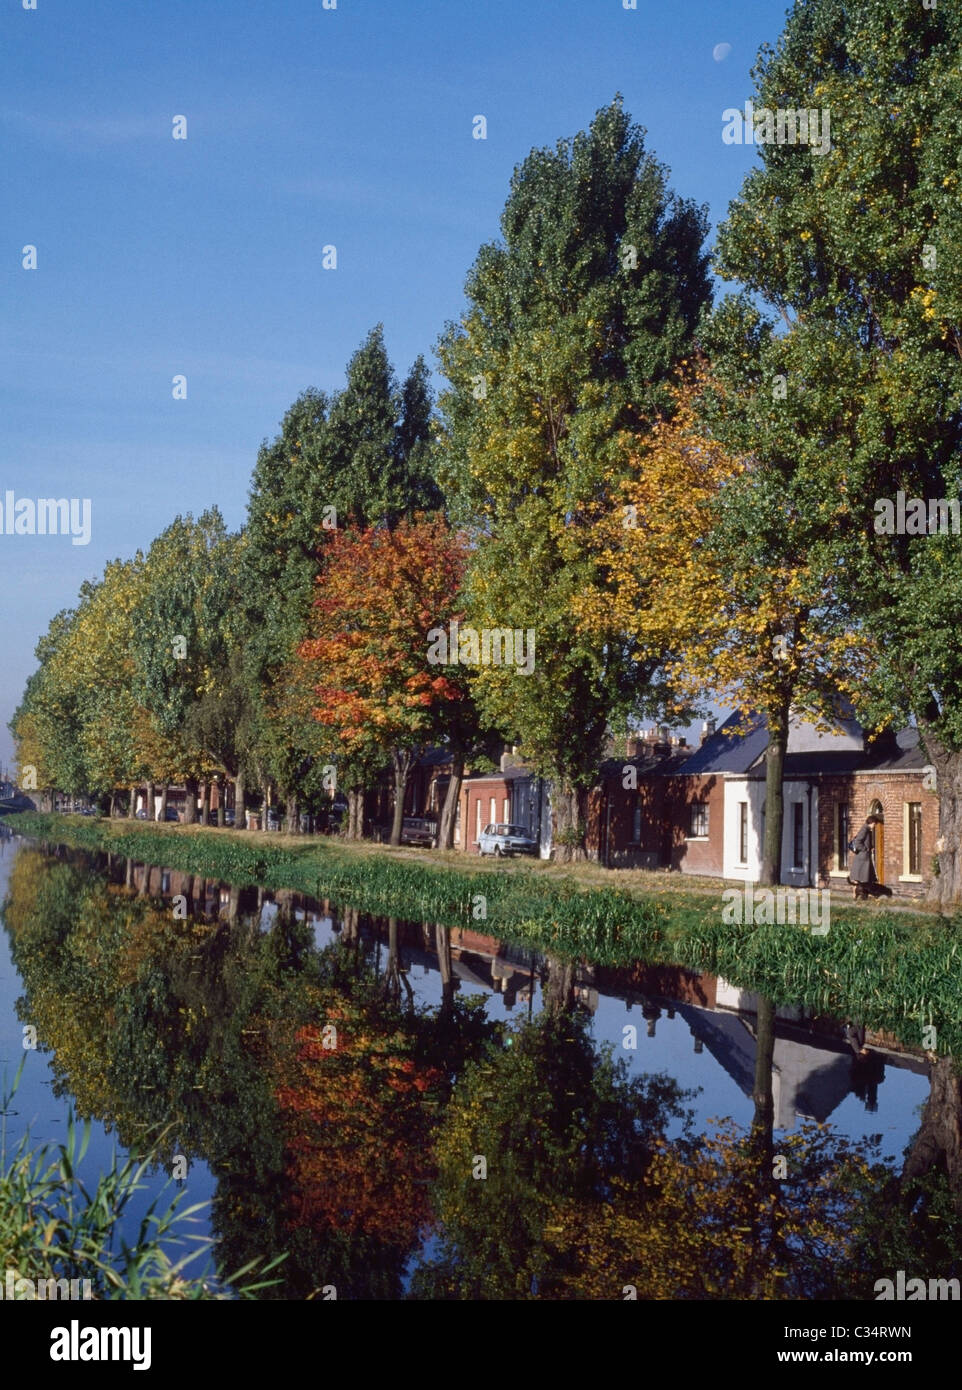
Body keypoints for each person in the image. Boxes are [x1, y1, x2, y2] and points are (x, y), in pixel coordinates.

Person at [848, 814, 879, 899]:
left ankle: (859, 894)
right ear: (872, 822)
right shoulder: (864, 830)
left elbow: (865, 841)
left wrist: (870, 847)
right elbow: (858, 842)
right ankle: (859, 894)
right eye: (874, 824)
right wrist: (865, 849)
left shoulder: (867, 830)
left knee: (861, 877)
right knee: (863, 877)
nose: (875, 826)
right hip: (862, 858)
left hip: (864, 857)